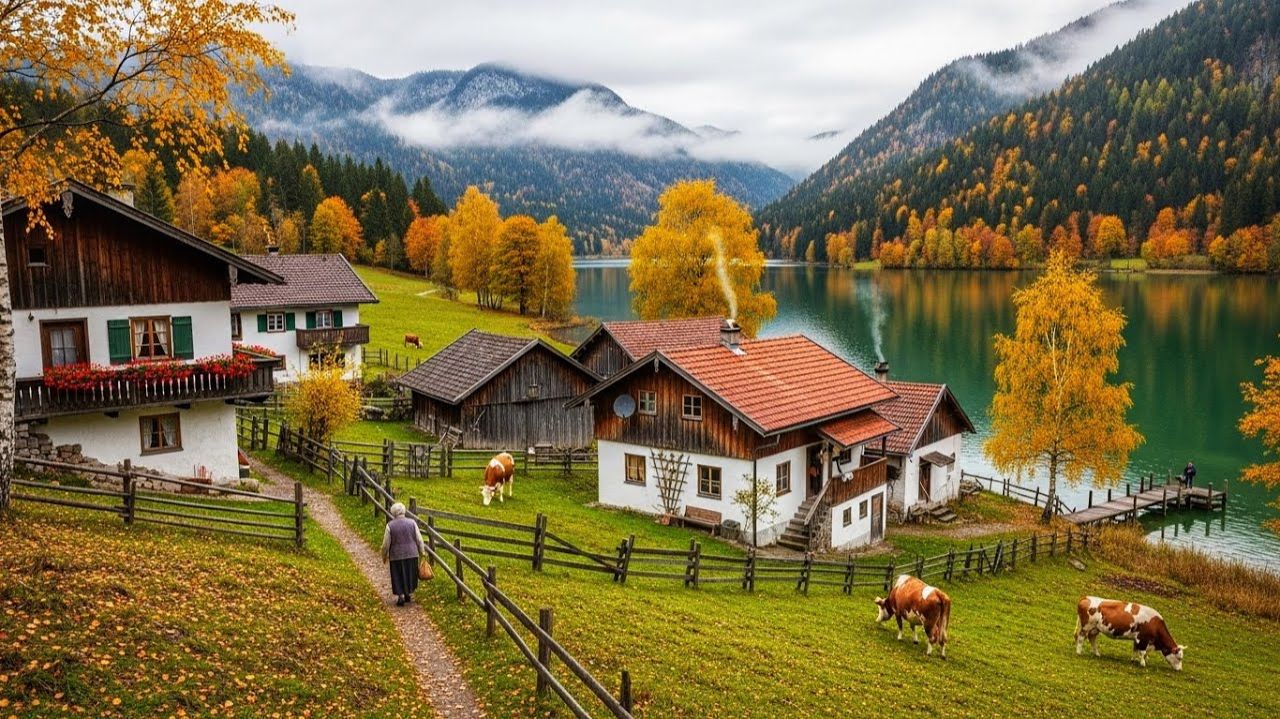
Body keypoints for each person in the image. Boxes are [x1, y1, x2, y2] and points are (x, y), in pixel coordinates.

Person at [381, 502, 426, 606]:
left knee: (398, 574)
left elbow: (385, 544)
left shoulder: (390, 525)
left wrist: (384, 555)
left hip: (396, 555)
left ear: (393, 512)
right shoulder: (412, 523)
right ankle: (408, 593)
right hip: (412, 553)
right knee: (409, 573)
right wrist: (422, 552)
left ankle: (400, 595)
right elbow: (419, 539)